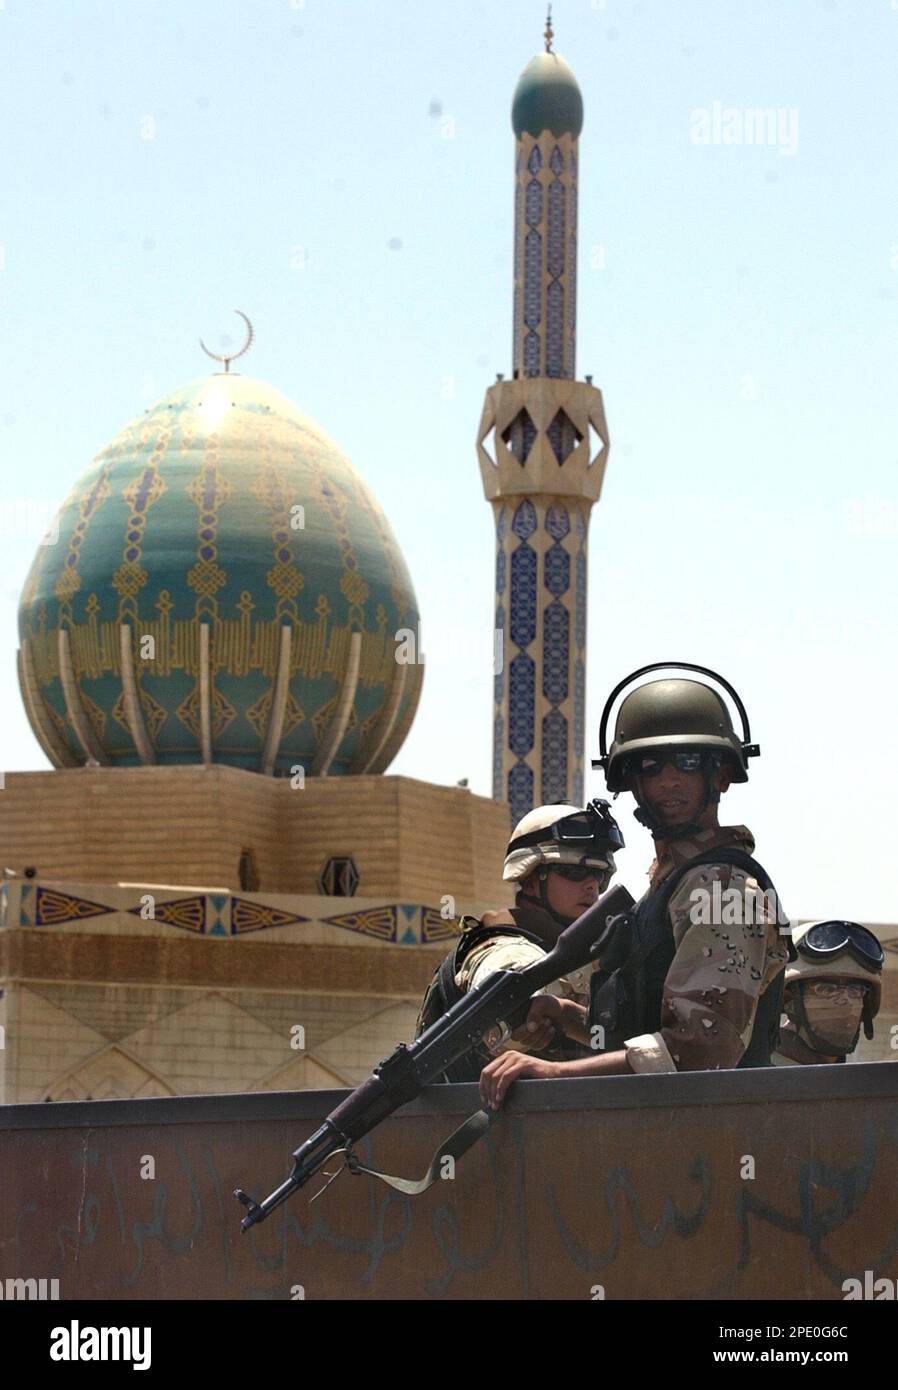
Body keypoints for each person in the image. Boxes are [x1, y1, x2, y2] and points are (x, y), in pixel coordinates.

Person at [480, 663, 791, 1109]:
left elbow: (701, 1050)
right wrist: (568, 1017)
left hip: (714, 1148)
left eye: (687, 762)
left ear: (720, 775)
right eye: (650, 764)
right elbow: (646, 1039)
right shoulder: (670, 888)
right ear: (630, 781)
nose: (668, 779)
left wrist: (555, 1073)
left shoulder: (721, 890)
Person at [414, 799, 623, 1081]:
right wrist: (539, 1012)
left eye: (598, 873)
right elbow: (509, 985)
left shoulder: (582, 950)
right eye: (573, 872)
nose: (591, 885)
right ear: (531, 878)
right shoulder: (500, 945)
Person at [772, 920, 883, 1065]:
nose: (846, 1000)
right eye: (826, 989)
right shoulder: (762, 1075)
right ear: (789, 1001)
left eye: (855, 990)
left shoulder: (845, 1078)